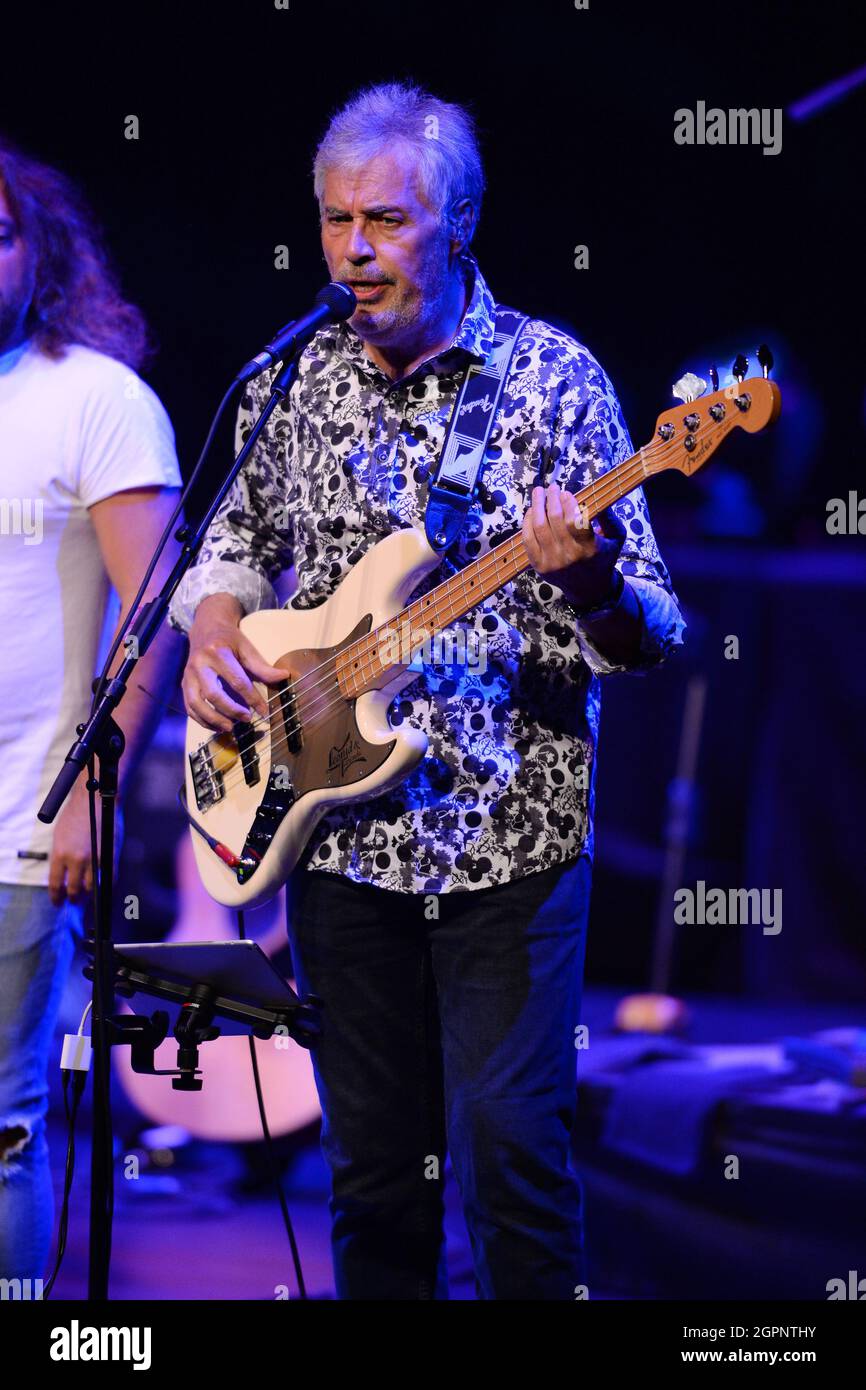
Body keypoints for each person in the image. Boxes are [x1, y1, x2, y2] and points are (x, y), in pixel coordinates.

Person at [170, 82, 686, 1300]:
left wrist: (592, 579)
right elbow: (230, 544)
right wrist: (208, 628)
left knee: (512, 1162)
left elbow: (651, 632)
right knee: (372, 1181)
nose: (355, 249)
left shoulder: (554, 381)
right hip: (339, 837)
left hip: (510, 841)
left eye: (387, 222)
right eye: (337, 220)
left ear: (457, 225)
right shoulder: (290, 382)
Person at [0, 139, 182, 1281]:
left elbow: (153, 609)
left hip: (23, 818)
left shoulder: (97, 398)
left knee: (2, 1123)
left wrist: (88, 798)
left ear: (39, 251)